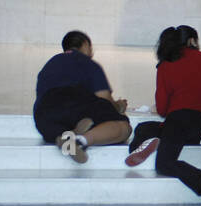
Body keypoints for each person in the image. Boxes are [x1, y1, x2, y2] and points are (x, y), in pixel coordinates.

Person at [125, 26, 201, 203]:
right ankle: (155, 138)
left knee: (162, 160)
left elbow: (162, 108)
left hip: (178, 122)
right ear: (192, 40)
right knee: (151, 129)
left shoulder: (166, 64)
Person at [32, 31, 132, 162]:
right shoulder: (88, 63)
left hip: (44, 116)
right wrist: (118, 106)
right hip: (76, 102)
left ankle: (67, 136)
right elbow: (104, 98)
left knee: (69, 122)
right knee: (123, 127)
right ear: (85, 45)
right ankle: (80, 141)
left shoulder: (50, 64)